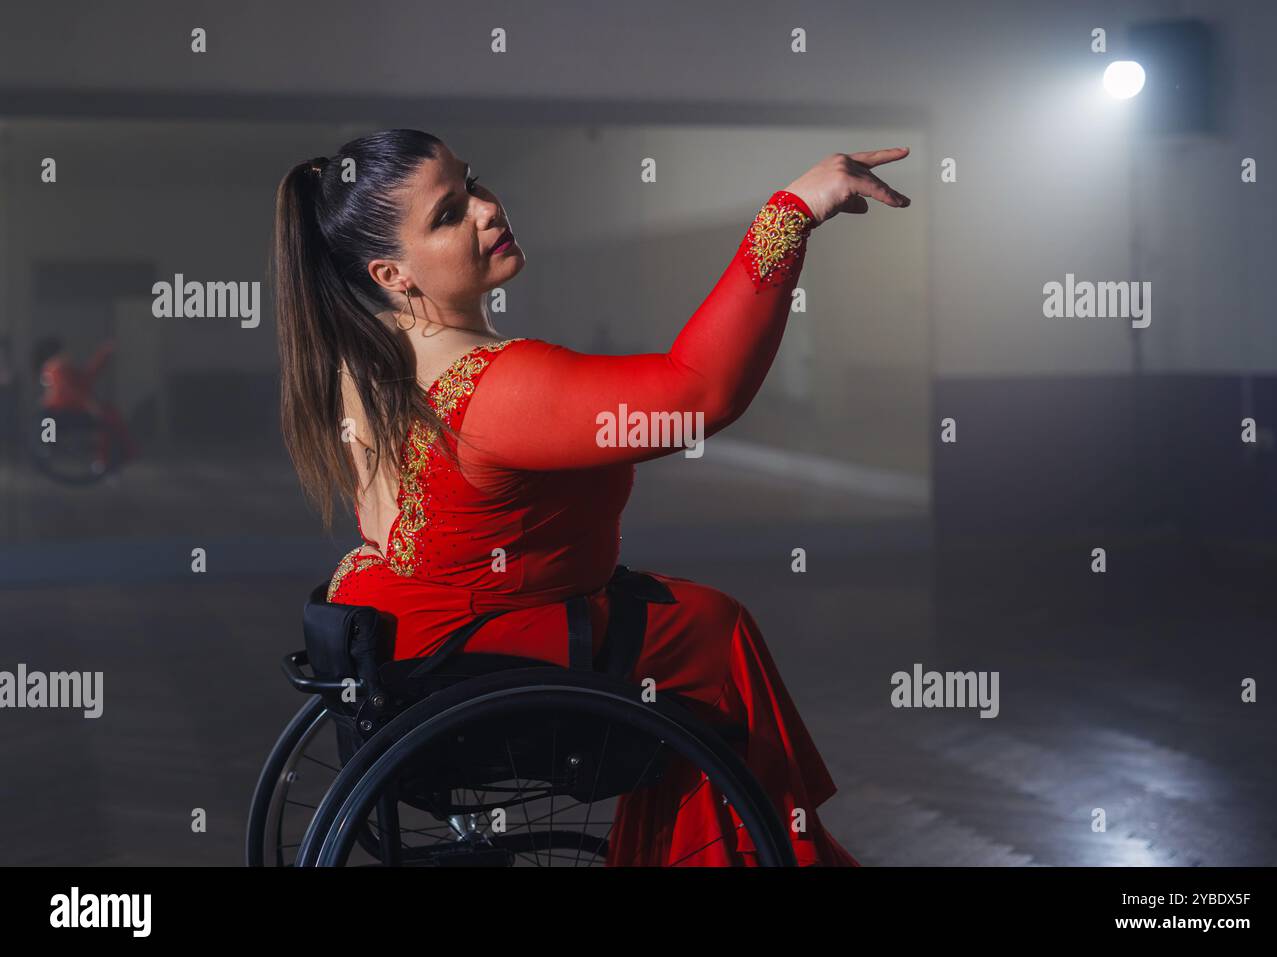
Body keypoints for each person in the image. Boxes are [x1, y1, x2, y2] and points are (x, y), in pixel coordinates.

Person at [273, 129, 911, 866]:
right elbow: (697, 393)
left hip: (405, 641)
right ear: (393, 273)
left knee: (698, 621)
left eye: (473, 182)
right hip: (479, 651)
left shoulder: (367, 355)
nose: (487, 209)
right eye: (449, 214)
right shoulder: (494, 386)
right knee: (714, 632)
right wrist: (789, 215)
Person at [32, 335, 138, 473]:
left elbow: (86, 378)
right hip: (64, 412)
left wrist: (104, 354)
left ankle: (120, 453)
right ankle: (113, 456)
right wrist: (90, 405)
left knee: (109, 414)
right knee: (107, 417)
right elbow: (69, 391)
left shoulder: (61, 369)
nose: (68, 354)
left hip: (68, 409)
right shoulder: (55, 369)